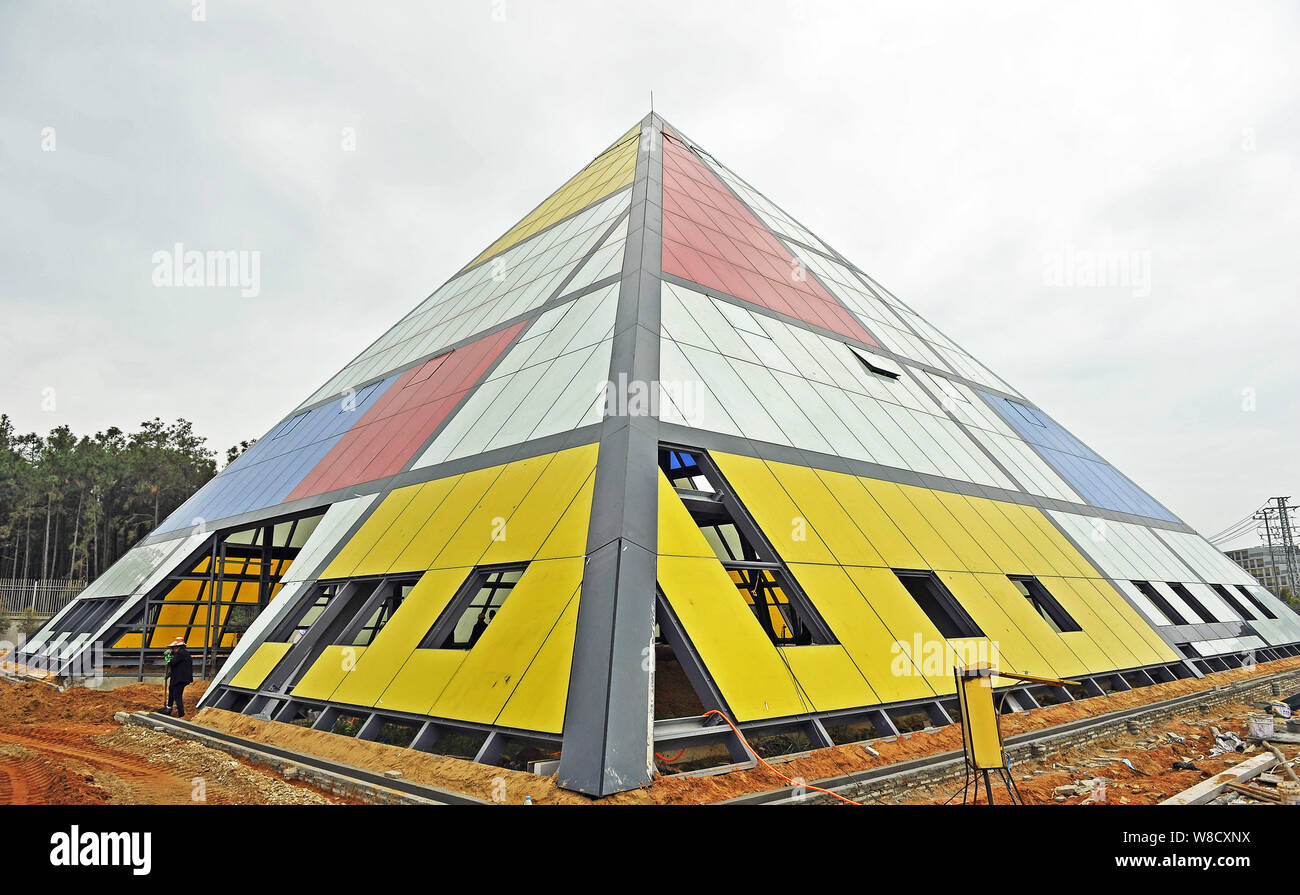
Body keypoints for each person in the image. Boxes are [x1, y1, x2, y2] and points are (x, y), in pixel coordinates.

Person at [161, 637, 193, 717]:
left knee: (177, 695)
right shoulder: (183, 653)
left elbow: (173, 662)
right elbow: (177, 665)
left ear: (177, 647)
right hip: (179, 677)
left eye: (173, 648)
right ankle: (168, 708)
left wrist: (168, 657)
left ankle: (181, 714)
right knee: (171, 689)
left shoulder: (181, 653)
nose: (173, 649)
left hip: (180, 679)